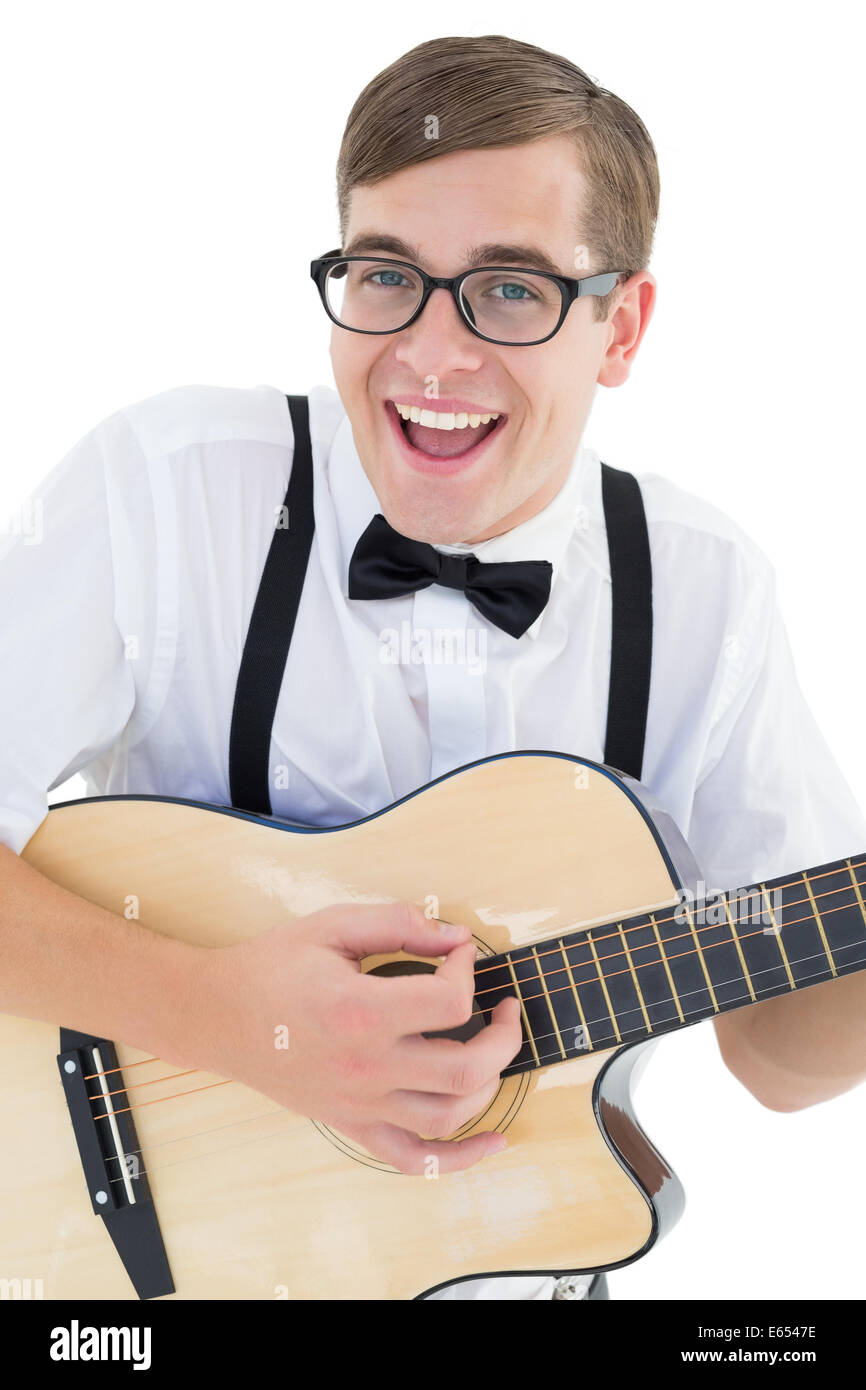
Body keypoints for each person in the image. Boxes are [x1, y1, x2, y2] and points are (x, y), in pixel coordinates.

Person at [2, 34, 865, 1303]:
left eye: (509, 290)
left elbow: (780, 1061)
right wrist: (231, 1017)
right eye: (386, 275)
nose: (431, 357)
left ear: (618, 326)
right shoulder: (166, 490)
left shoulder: (702, 591)